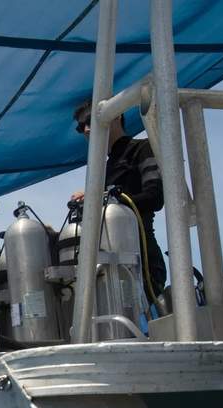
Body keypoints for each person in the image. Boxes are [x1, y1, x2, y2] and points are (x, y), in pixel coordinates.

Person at [71, 100, 167, 291]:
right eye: (81, 126)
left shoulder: (143, 148)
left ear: (117, 115)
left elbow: (155, 197)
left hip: (142, 262)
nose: (87, 129)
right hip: (109, 265)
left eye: (91, 120)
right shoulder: (103, 170)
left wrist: (102, 198)